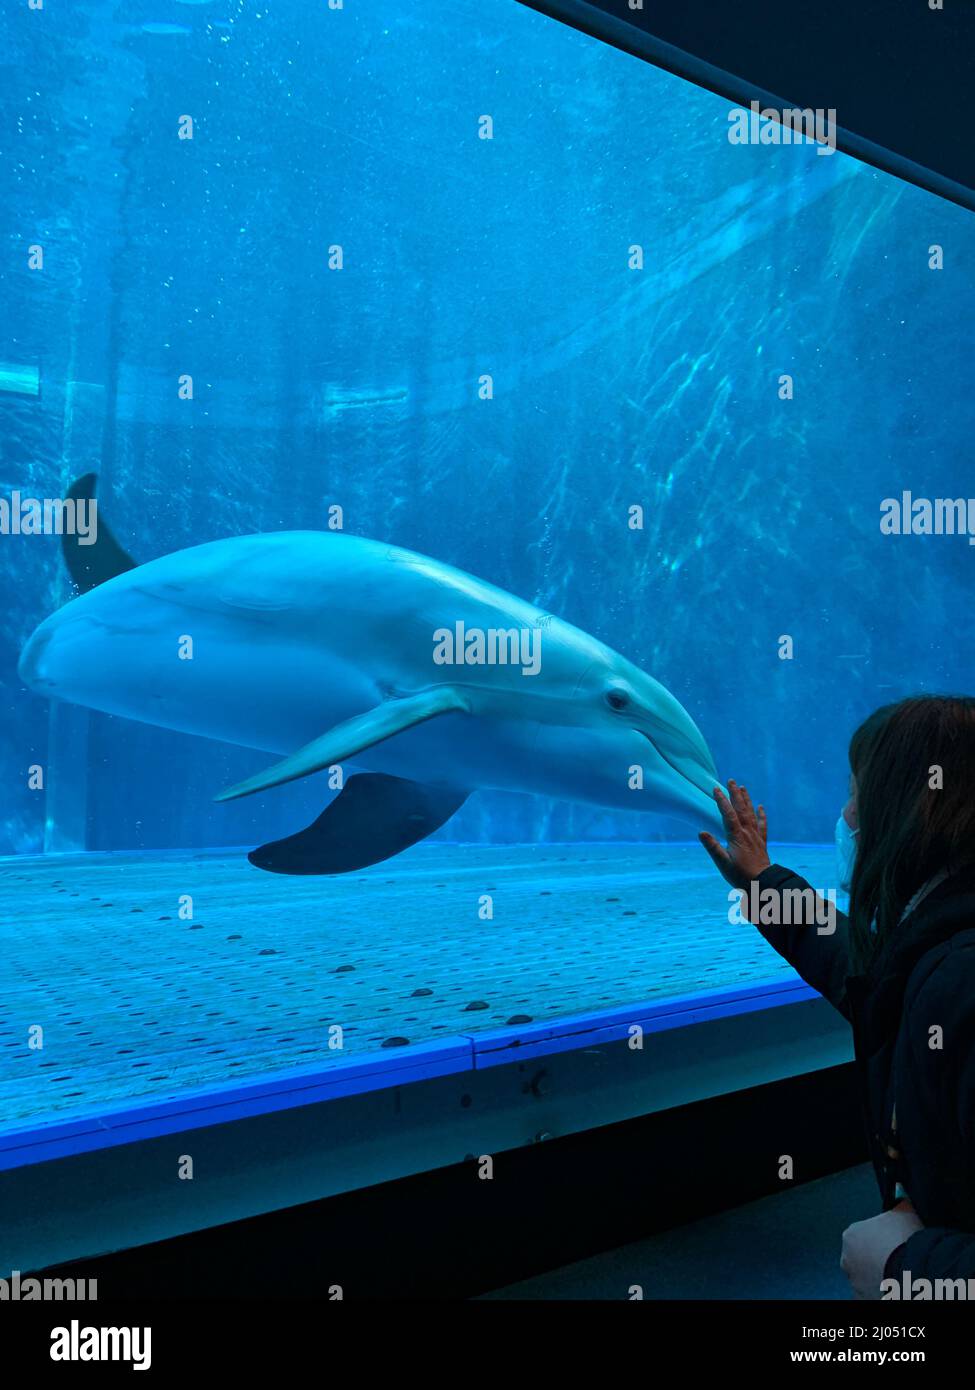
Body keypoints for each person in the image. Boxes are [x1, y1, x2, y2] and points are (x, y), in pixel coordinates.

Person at [699, 695, 975, 1299]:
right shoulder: (936, 942)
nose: (847, 817)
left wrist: (910, 1267)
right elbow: (860, 970)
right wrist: (764, 882)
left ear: (912, 808)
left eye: (858, 794)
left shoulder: (961, 984)